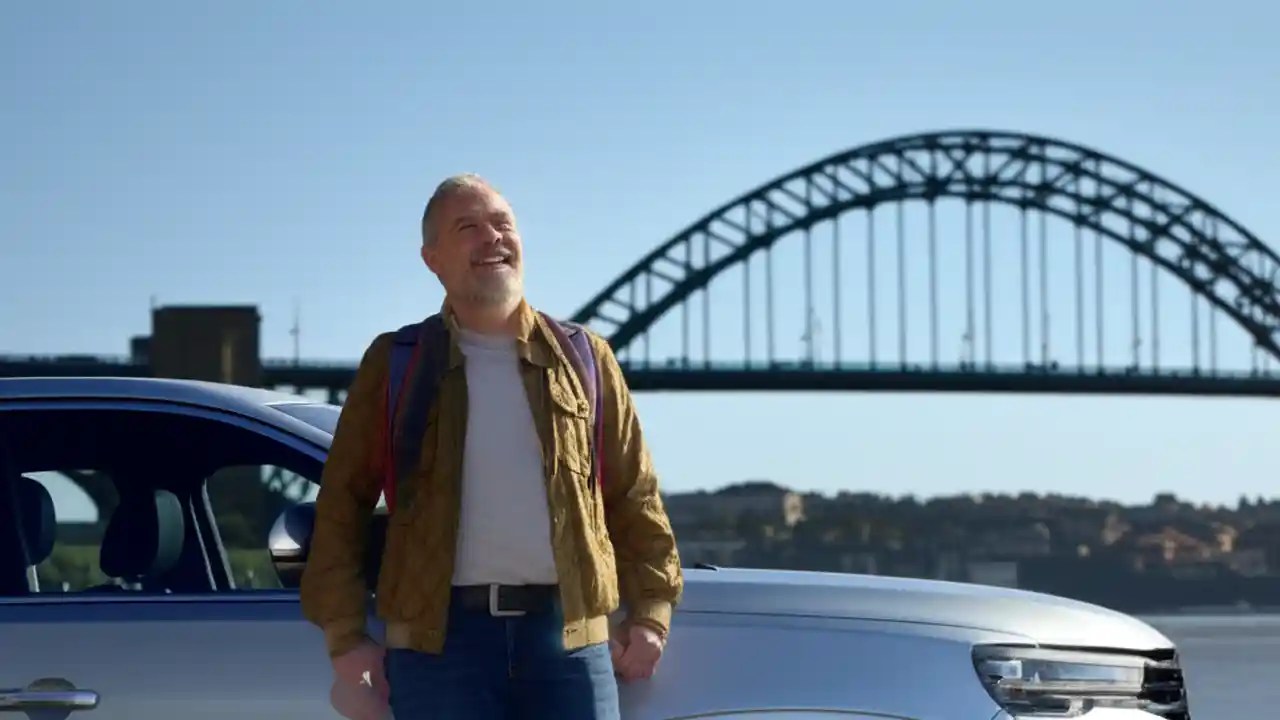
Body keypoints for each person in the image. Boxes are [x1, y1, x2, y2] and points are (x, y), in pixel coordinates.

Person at [299, 173, 684, 720]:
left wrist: (650, 614)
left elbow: (633, 494)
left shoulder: (585, 360)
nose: (494, 238)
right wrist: (344, 634)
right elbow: (342, 502)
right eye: (469, 227)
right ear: (432, 258)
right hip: (440, 649)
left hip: (568, 642)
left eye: (503, 223)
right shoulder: (396, 363)